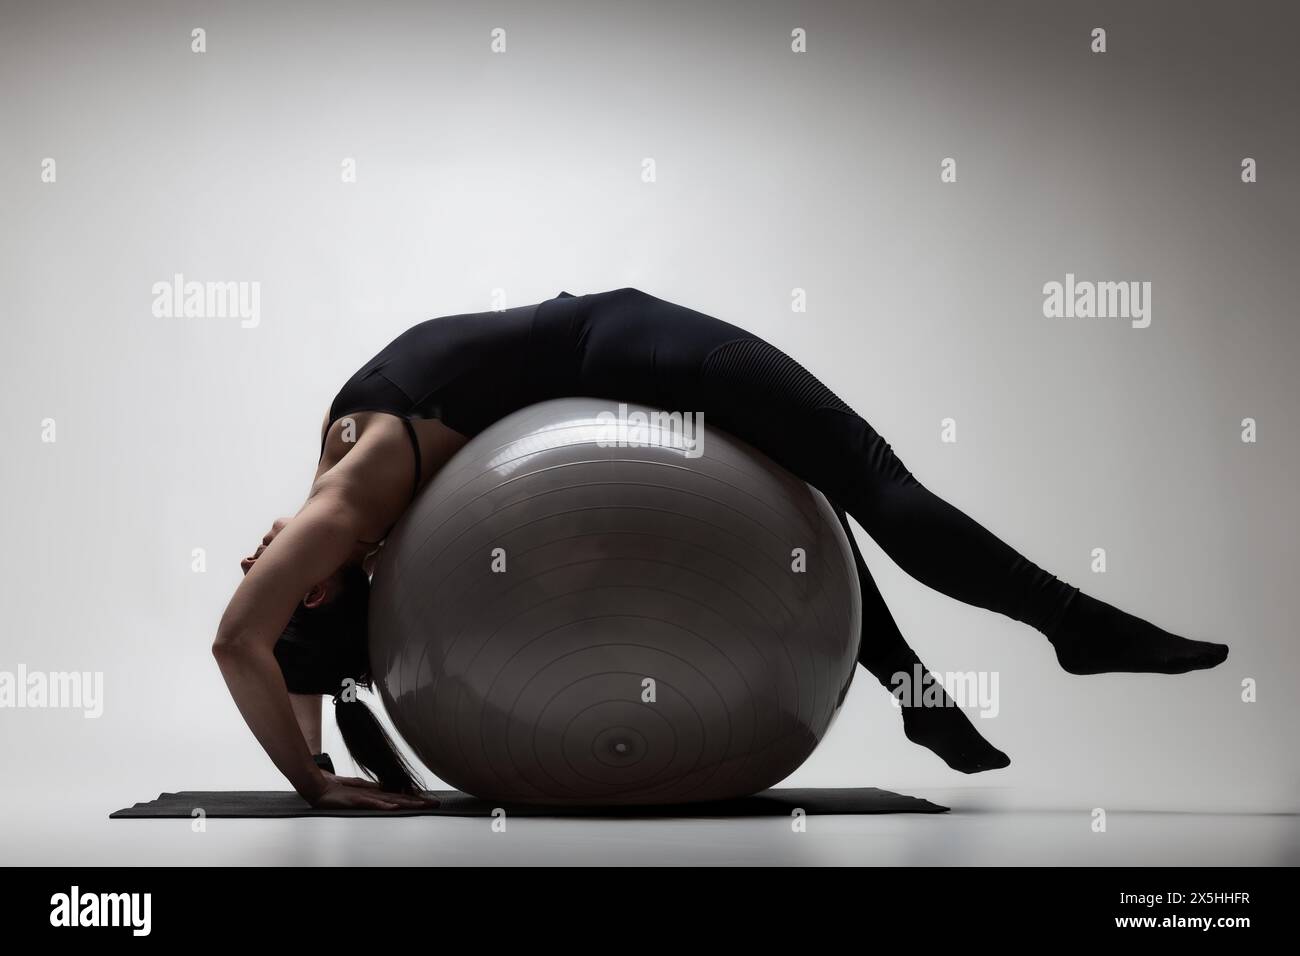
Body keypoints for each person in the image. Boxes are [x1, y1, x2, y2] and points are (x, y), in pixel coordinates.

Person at [214, 288, 1229, 809]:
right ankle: (1005, 656)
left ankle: (1006, 652)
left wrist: (312, 769)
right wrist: (309, 767)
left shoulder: (342, 515)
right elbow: (268, 643)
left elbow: (258, 641)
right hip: (612, 351)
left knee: (837, 489)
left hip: (617, 345)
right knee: (845, 488)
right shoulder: (339, 513)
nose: (280, 567)